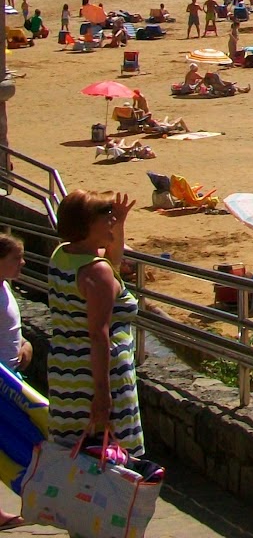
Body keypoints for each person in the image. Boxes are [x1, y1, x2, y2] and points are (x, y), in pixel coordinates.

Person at [47, 190, 143, 456]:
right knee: (114, 462)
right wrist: (103, 396)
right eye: (107, 217)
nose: (112, 220)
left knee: (72, 458)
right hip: (96, 377)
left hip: (66, 372)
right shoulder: (95, 272)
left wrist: (120, 223)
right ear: (88, 225)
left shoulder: (63, 255)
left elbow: (111, 261)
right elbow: (99, 335)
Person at [0, 235, 32, 375]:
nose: (23, 262)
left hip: (12, 373)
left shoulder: (5, 286)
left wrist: (24, 344)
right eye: (16, 258)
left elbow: (6, 328)